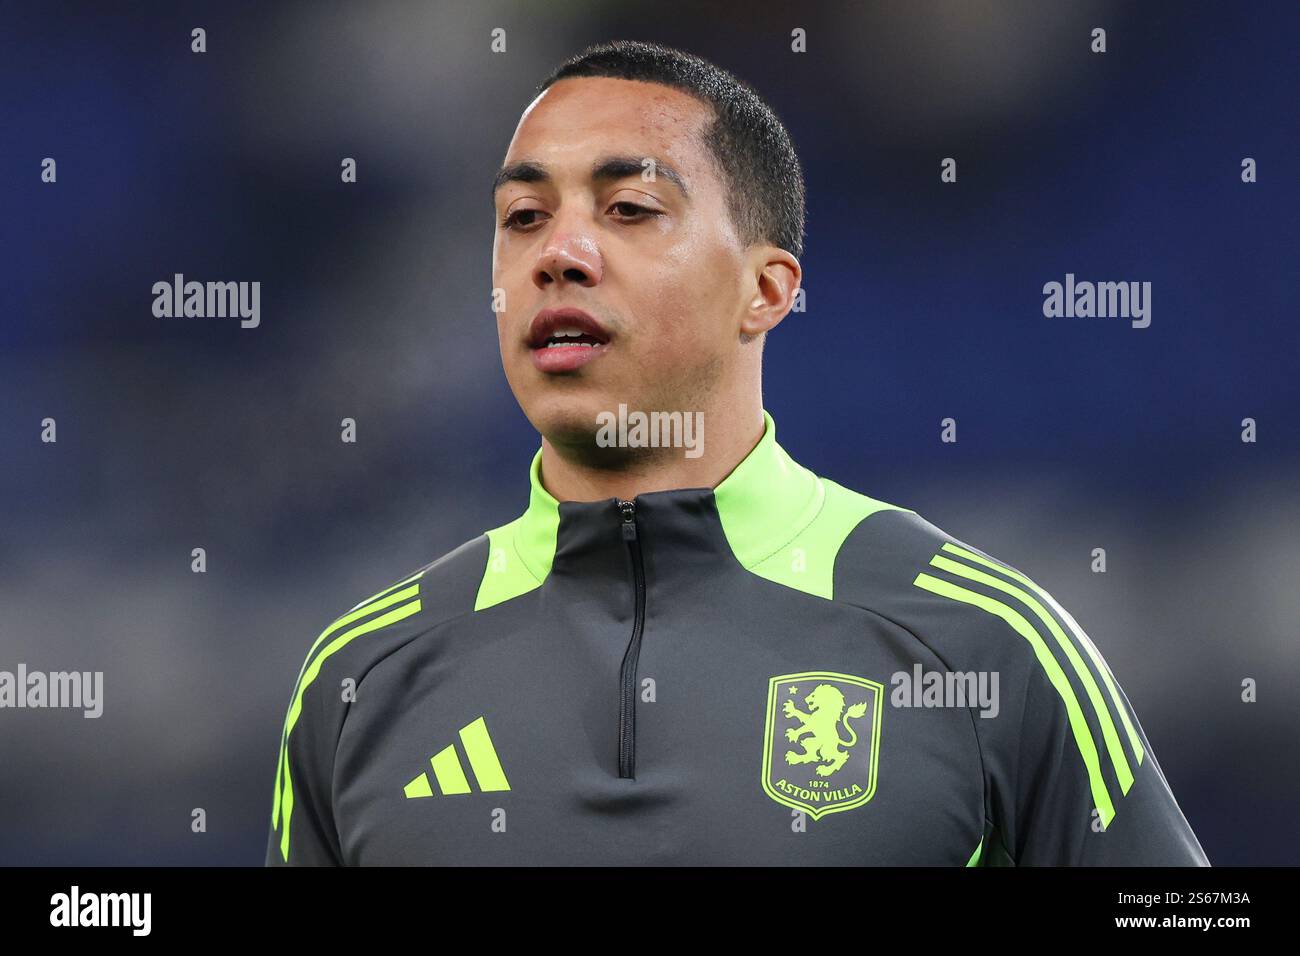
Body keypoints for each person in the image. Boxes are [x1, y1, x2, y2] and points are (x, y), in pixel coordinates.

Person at [266, 40, 1208, 866]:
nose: (560, 253)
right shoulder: (361, 677)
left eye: (629, 208)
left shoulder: (978, 643)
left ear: (765, 290)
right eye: (524, 218)